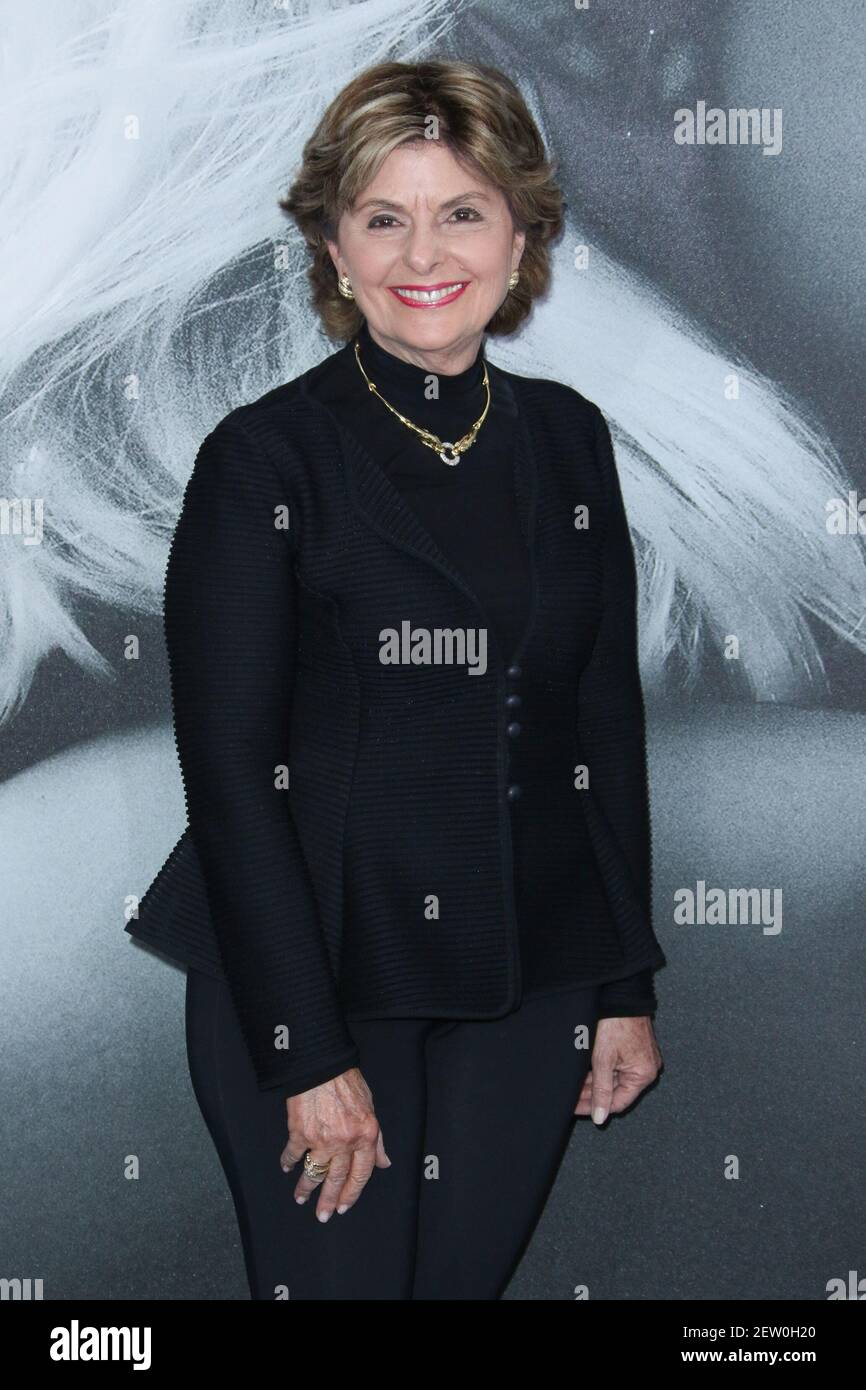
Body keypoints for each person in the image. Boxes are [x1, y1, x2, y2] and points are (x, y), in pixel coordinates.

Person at [127, 58, 666, 1300]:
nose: (425, 251)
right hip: (317, 979)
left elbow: (600, 722)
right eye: (384, 216)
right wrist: (304, 1052)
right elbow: (227, 774)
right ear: (331, 245)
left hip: (530, 982)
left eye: (461, 210)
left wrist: (623, 979)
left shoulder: (568, 434)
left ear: (520, 232)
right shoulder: (263, 458)